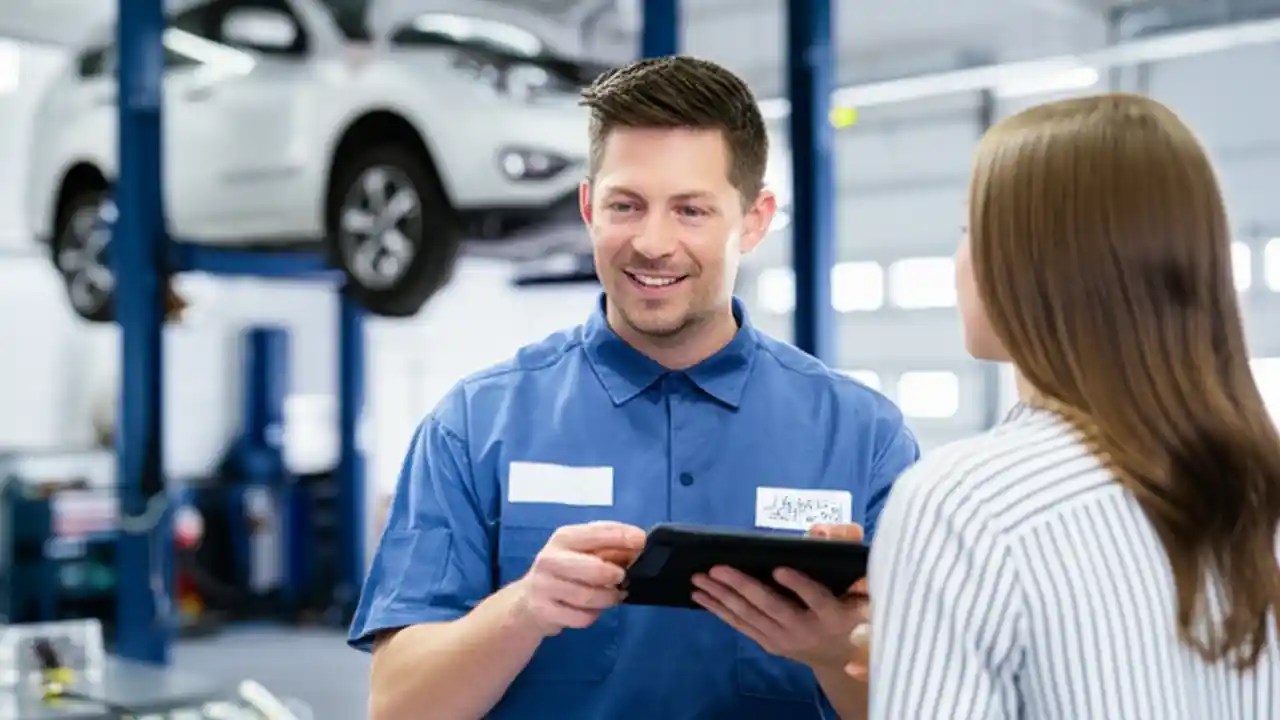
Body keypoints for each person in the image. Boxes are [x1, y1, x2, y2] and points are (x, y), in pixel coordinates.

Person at [346, 55, 919, 720]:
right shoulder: (474, 426)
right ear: (589, 207)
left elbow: (925, 702)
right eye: (626, 205)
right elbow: (398, 707)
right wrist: (524, 609)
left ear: (754, 220)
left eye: (690, 210)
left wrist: (834, 652)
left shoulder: (863, 438)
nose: (652, 242)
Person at [849, 93, 1280, 718]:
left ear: (1029, 266)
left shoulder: (964, 504)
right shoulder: (1253, 490)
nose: (959, 257)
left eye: (969, 230)